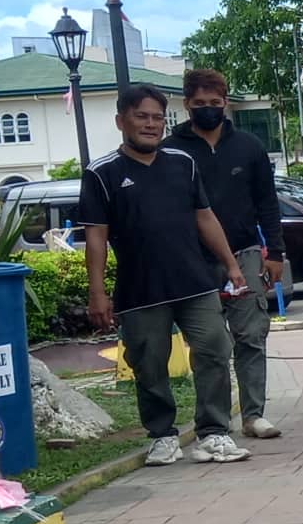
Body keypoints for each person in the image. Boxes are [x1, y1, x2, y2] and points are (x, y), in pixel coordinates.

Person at [81, 84, 251, 467]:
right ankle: (162, 435)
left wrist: (232, 265)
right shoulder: (101, 173)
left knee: (214, 349)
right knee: (149, 363)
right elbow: (96, 238)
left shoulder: (182, 162)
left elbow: (204, 217)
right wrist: (98, 293)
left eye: (158, 117)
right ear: (121, 120)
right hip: (140, 290)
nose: (151, 124)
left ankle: (214, 434)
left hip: (194, 282)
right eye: (142, 116)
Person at [168, 68, 287, 440]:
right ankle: (215, 421)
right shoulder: (172, 150)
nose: (207, 109)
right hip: (193, 258)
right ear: (187, 105)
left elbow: (268, 203)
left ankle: (254, 415)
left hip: (246, 251)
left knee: (251, 334)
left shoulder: (249, 146)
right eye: (199, 104)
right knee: (210, 344)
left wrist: (276, 252)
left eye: (215, 103)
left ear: (226, 103)